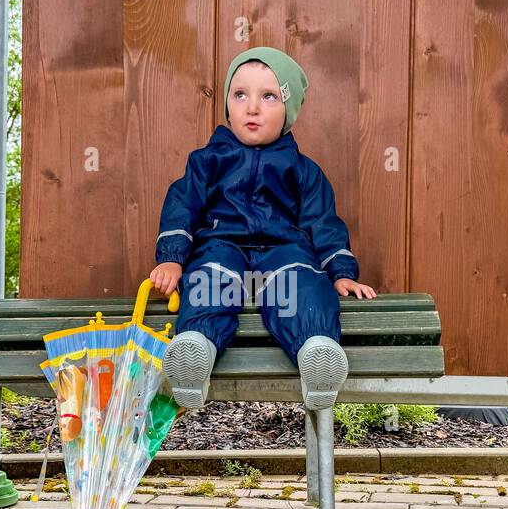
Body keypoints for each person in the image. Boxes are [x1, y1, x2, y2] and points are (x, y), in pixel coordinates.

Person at [149, 46, 375, 411]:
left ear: (289, 111)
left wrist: (340, 272)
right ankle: (196, 350)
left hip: (283, 249)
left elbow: (323, 222)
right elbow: (182, 204)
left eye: (268, 96)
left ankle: (316, 352)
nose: (251, 107)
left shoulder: (303, 170)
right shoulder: (207, 161)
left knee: (302, 281)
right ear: (227, 105)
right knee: (210, 277)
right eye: (240, 95)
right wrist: (172, 259)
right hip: (222, 244)